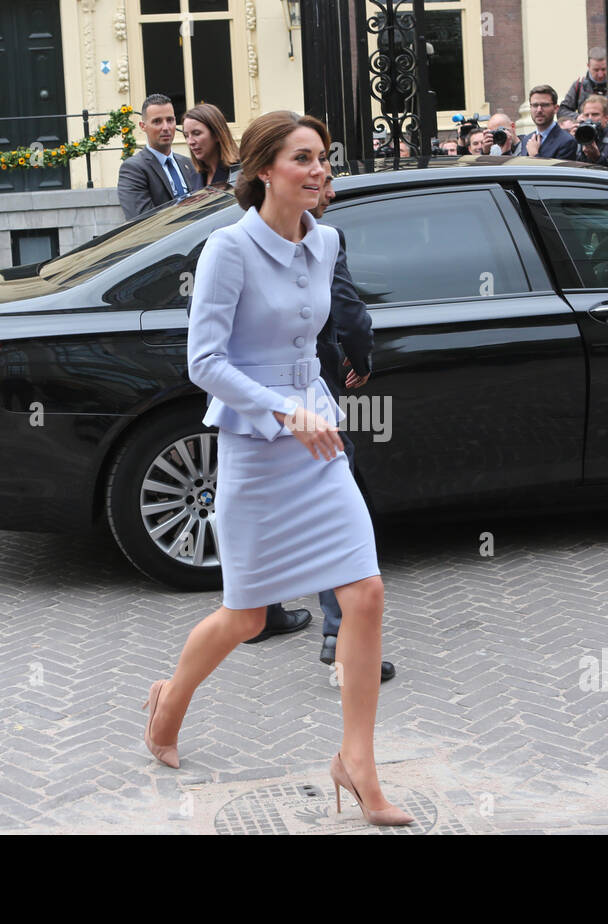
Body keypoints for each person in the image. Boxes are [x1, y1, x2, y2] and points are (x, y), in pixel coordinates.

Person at [144, 110, 412, 827]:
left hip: (319, 440)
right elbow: (205, 363)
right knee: (247, 614)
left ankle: (357, 762)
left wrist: (317, 398)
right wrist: (279, 408)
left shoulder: (324, 242)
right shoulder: (227, 250)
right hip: (255, 445)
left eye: (323, 157)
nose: (319, 170)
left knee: (366, 592)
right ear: (265, 169)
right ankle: (169, 700)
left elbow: (323, 327)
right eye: (303, 158)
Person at [252, 161, 393, 682]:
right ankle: (339, 635)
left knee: (278, 507)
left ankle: (263, 611)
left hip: (280, 406)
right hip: (306, 401)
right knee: (335, 513)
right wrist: (362, 355)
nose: (324, 186)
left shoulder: (302, 236)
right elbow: (349, 309)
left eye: (327, 174)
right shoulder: (305, 241)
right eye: (312, 169)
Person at [116, 93, 198, 220]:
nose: (165, 127)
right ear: (143, 126)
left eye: (170, 120)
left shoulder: (188, 163)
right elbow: (142, 221)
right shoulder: (133, 169)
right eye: (157, 121)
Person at [558, 46, 608, 122]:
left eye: (603, 69)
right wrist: (578, 117)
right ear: (588, 66)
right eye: (596, 70)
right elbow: (561, 111)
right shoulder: (578, 86)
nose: (600, 74)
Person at [182, 102, 240, 190]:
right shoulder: (195, 177)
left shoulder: (240, 172)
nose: (190, 141)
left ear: (217, 134)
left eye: (196, 133)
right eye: (186, 135)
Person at [519, 85, 577, 159]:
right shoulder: (526, 140)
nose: (539, 110)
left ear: (556, 109)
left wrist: (534, 155)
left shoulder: (567, 141)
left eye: (544, 105)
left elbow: (556, 171)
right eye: (535, 105)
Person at [575, 94, 608, 165]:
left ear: (606, 118)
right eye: (586, 115)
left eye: (595, 114)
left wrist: (597, 158)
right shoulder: (578, 137)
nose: (590, 118)